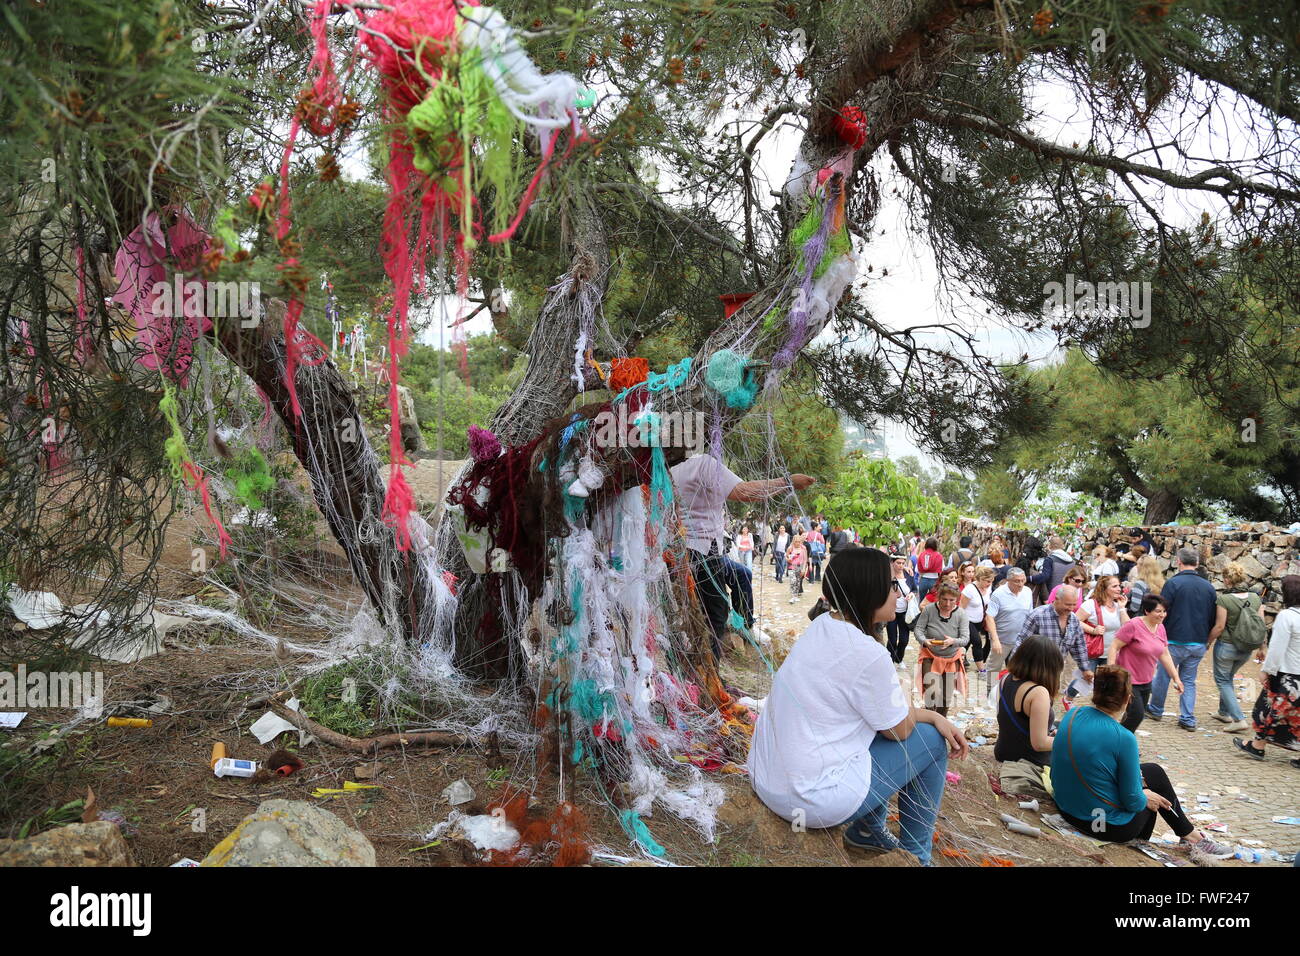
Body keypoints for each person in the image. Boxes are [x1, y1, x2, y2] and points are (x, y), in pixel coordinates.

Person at [747, 548, 969, 865]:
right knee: (931, 740)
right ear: (870, 591)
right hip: (808, 799)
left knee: (879, 727)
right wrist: (918, 702)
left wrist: (926, 712)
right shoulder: (869, 655)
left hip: (769, 780)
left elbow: (883, 720)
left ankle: (868, 831)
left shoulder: (824, 624)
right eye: (892, 585)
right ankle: (916, 856)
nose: (899, 593)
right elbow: (901, 729)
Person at [1050, 666, 1234, 864]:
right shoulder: (1124, 737)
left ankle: (1189, 834)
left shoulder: (1074, 713)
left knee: (1153, 771)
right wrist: (1143, 794)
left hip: (1067, 807)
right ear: (1128, 699)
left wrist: (1140, 790)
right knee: (1152, 796)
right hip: (1098, 824)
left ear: (1095, 693)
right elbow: (1134, 802)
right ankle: (1193, 838)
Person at [668, 452, 813, 659]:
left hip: (686, 548)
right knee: (715, 614)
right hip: (702, 550)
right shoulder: (702, 463)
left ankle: (746, 624)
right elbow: (744, 492)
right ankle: (709, 673)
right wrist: (788, 482)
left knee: (742, 573)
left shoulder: (668, 466)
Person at [1147, 547, 1217, 731]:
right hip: (1198, 640)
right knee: (1188, 680)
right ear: (1197, 563)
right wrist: (1207, 639)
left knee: (1163, 674)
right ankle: (1187, 717)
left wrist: (1156, 632)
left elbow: (1162, 611)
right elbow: (1212, 616)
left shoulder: (1173, 584)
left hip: (1174, 639)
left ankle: (1156, 708)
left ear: (1178, 561)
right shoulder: (1209, 587)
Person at [1234, 574, 1300, 768]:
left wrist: (1266, 670)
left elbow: (1278, 648)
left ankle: (1257, 745)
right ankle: (1258, 745)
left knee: (1268, 711)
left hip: (1287, 675)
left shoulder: (1287, 617)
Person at [1111, 593, 1181, 733]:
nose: (1162, 615)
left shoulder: (1160, 628)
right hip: (1129, 679)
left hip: (1146, 680)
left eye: (1164, 611)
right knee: (1136, 715)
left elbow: (1165, 654)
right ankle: (1119, 744)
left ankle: (1120, 743)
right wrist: (1112, 671)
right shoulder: (1134, 625)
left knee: (1136, 715)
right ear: (1147, 611)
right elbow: (1114, 646)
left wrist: (1176, 678)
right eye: (1158, 611)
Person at [1209, 561, 1266, 733]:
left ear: (1227, 579)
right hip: (1246, 648)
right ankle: (1223, 712)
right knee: (1228, 678)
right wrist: (1262, 648)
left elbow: (1219, 627)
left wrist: (1208, 641)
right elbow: (1261, 624)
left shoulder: (1224, 599)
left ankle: (1238, 718)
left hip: (1227, 646)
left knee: (1222, 680)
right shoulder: (1255, 597)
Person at [1015, 586, 1094, 700]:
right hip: (1033, 670)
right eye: (1067, 604)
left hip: (1055, 671)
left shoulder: (1074, 620)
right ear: (1056, 599)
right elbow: (1021, 642)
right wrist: (1016, 670)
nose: (1071, 608)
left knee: (1048, 700)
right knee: (1030, 699)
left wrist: (1085, 669)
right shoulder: (1038, 615)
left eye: (1074, 604)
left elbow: (1079, 646)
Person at [995, 635, 1060, 767]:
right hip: (1028, 761)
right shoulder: (1038, 692)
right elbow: (1039, 744)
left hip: (1003, 751)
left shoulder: (1006, 678)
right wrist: (1070, 740)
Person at [914, 583, 970, 716]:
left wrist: (953, 642)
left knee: (946, 695)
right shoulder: (929, 609)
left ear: (957, 600)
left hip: (951, 658)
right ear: (939, 597)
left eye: (952, 600)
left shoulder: (961, 614)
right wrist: (924, 641)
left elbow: (965, 638)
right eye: (944, 599)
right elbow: (919, 629)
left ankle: (941, 720)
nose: (948, 604)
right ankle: (929, 718)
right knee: (931, 691)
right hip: (930, 654)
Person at [1069, 575, 1128, 700]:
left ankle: (1100, 706)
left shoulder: (1118, 606)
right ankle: (1068, 697)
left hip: (1110, 652)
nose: (1119, 589)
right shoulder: (1091, 604)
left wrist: (1122, 608)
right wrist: (1093, 630)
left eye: (1119, 586)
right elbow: (1075, 620)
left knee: (1106, 682)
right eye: (1115, 586)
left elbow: (1128, 626)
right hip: (1093, 651)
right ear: (1105, 588)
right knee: (1085, 678)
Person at [986, 567, 1034, 671]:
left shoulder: (1027, 592)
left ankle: (1011, 687)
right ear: (1008, 581)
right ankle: (992, 687)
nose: (1021, 584)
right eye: (1017, 581)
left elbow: (1030, 615)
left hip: (1021, 640)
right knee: (994, 668)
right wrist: (995, 640)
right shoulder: (998, 594)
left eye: (1023, 580)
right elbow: (989, 617)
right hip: (1002, 640)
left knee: (1017, 669)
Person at [961, 566, 996, 673]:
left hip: (979, 621)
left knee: (965, 644)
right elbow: (961, 607)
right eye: (987, 581)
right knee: (977, 642)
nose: (989, 584)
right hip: (967, 620)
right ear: (979, 579)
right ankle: (981, 669)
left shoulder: (988, 588)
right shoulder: (969, 589)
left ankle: (957, 661)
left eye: (991, 581)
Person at [886, 555, 914, 665]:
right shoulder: (888, 576)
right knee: (892, 640)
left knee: (904, 640)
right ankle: (889, 661)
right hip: (891, 612)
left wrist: (911, 594)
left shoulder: (908, 575)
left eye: (903, 563)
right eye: (898, 563)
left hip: (904, 613)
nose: (901, 565)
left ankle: (898, 658)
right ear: (892, 563)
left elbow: (914, 589)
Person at [786, 532, 808, 603]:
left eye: (799, 542)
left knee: (798, 582)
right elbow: (786, 556)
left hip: (800, 566)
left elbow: (805, 560)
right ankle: (793, 596)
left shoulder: (803, 548)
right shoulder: (790, 548)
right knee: (793, 581)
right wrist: (788, 559)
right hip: (792, 566)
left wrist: (804, 569)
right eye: (796, 542)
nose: (797, 543)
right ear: (793, 541)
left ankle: (795, 595)